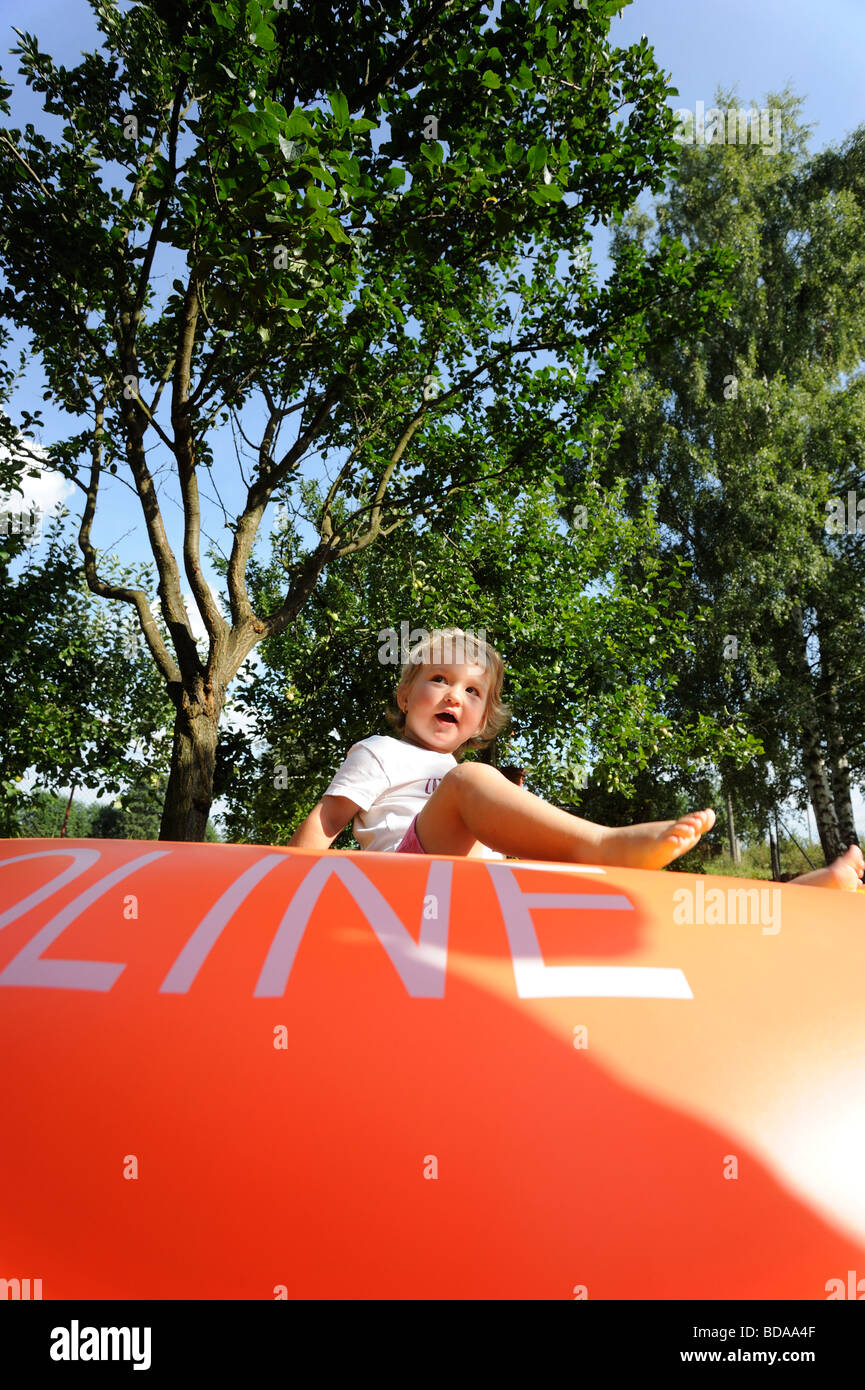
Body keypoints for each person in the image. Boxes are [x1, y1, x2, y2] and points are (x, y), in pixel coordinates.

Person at [288, 628, 865, 888]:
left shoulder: (477, 774)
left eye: (471, 691)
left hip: (482, 882)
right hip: (406, 881)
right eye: (438, 679)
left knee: (600, 885)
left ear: (483, 720)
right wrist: (278, 891)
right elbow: (327, 821)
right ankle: (603, 842)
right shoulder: (382, 752)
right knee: (469, 785)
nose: (452, 696)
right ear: (404, 696)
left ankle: (804, 890)